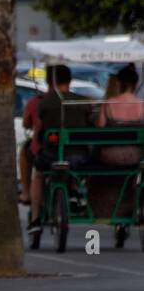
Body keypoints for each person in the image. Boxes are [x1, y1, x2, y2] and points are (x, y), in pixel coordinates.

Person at [28, 65, 92, 230]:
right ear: (70, 80)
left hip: (52, 156)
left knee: (38, 174)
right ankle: (78, 192)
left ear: (50, 81)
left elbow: (38, 135)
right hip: (79, 157)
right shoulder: (83, 102)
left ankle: (35, 218)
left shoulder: (44, 104)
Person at [95, 64, 144, 166]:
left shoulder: (108, 103)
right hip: (135, 155)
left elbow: (99, 126)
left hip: (109, 155)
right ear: (136, 84)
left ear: (119, 83)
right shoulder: (141, 104)